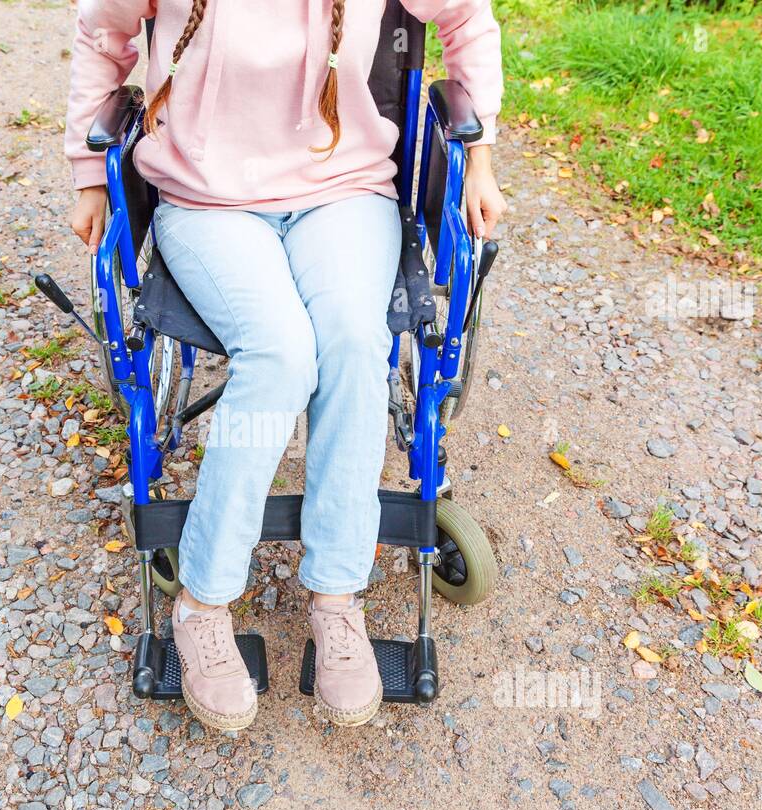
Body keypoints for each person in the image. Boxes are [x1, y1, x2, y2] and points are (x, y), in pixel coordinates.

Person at [64, 0, 506, 730]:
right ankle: (203, 604)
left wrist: (479, 159)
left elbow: (465, 19)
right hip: (208, 199)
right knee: (279, 355)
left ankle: (337, 598)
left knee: (355, 345)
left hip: (344, 190)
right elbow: (100, 31)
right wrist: (89, 175)